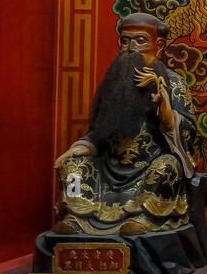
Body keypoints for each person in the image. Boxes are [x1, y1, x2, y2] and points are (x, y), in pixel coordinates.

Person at [52, 13, 197, 235]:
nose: (131, 47)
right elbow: (98, 130)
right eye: (125, 40)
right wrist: (79, 148)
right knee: (73, 165)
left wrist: (165, 109)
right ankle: (77, 217)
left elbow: (187, 134)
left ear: (158, 45)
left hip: (149, 166)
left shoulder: (173, 83)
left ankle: (145, 217)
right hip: (108, 168)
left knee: (167, 167)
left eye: (140, 40)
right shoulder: (113, 82)